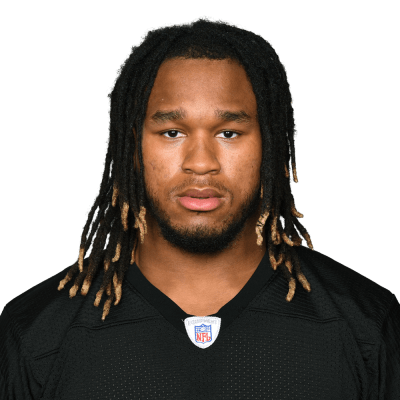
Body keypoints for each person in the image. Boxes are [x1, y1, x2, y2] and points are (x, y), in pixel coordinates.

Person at [1, 17, 399, 399]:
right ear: (132, 148)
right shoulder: (36, 331)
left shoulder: (365, 324)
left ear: (270, 145)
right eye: (172, 132)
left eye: (229, 132)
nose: (201, 162)